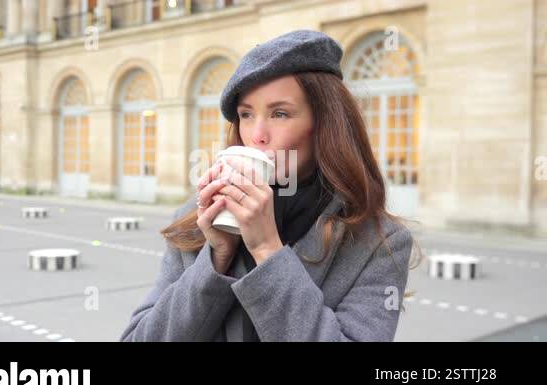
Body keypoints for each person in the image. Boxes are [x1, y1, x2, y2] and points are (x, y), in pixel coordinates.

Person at [120, 29, 420, 342]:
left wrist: (267, 249)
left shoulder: (378, 243)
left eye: (279, 113)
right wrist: (215, 259)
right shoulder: (198, 219)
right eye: (246, 115)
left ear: (325, 126)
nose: (257, 134)